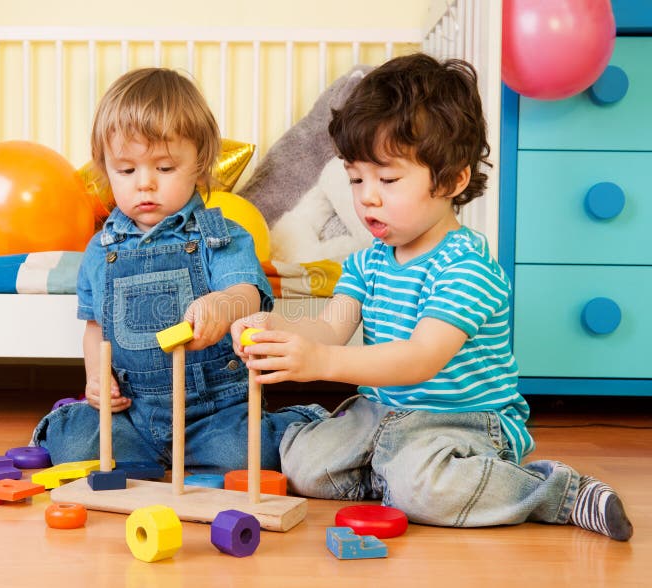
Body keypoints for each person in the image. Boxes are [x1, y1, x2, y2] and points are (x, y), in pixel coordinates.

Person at [230, 53, 633, 541]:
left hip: (460, 420)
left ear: (452, 179)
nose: (367, 198)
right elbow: (330, 328)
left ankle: (559, 492)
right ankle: (389, 473)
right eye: (356, 179)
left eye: (389, 179)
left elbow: (420, 358)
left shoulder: (466, 266)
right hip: (382, 413)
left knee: (428, 491)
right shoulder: (368, 261)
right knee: (304, 466)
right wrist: (275, 326)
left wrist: (321, 362)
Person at [32, 68, 326, 472]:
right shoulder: (100, 250)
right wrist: (97, 379)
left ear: (200, 163)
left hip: (214, 411)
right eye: (127, 170)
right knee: (77, 448)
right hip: (133, 413)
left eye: (165, 168)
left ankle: (295, 424)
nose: (145, 184)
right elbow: (96, 328)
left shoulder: (219, 234)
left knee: (247, 456)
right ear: (105, 168)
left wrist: (222, 305)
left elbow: (247, 294)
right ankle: (122, 439)